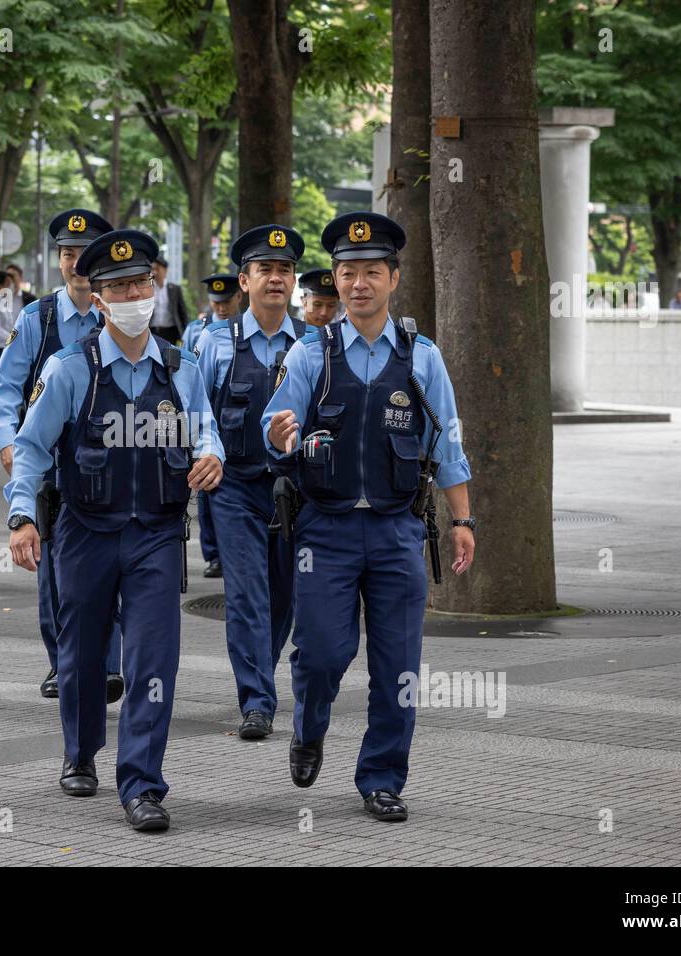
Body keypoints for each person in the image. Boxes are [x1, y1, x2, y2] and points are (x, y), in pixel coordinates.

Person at [6, 228, 224, 832]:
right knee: (81, 655)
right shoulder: (70, 369)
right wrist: (23, 515)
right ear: (97, 300)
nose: (134, 294)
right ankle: (80, 752)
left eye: (141, 282)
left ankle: (143, 783)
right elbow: (29, 449)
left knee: (154, 659)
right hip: (85, 532)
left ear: (155, 287)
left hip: (156, 534)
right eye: (119, 287)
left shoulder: (183, 368)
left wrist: (212, 455)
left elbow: (206, 430)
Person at [263, 212, 475, 821]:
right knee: (323, 652)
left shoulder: (421, 357)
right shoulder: (311, 354)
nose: (359, 284)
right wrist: (280, 432)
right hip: (324, 531)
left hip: (397, 529)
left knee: (398, 663)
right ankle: (309, 728)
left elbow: (448, 444)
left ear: (393, 279)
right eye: (348, 273)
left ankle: (382, 777)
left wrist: (463, 520)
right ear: (335, 279)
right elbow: (276, 427)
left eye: (372, 273)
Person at [0, 208, 123, 700]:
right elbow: (3, 388)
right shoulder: (37, 318)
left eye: (83, 256)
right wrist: (8, 439)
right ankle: (61, 661)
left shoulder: (124, 313)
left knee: (113, 566)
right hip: (51, 466)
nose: (75, 264)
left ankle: (109, 666)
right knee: (55, 576)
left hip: (112, 464)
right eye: (67, 255)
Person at [196, 226, 306, 741]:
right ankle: (257, 699)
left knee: (284, 595)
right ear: (245, 280)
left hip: (293, 492)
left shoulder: (311, 345)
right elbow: (199, 415)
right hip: (235, 488)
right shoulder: (214, 343)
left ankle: (262, 668)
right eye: (266, 270)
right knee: (246, 592)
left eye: (285, 270)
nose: (277, 278)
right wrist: (208, 453)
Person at [189, 272, 242, 579]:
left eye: (226, 302)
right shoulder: (201, 332)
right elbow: (194, 383)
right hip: (215, 427)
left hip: (243, 435)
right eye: (215, 303)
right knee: (209, 493)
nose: (221, 309)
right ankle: (213, 554)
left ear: (239, 296)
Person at [148, 255, 190, 346]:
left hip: (171, 332)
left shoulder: (174, 289)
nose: (154, 272)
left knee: (170, 358)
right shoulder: (147, 289)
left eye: (157, 269)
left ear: (165, 270)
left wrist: (185, 333)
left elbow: (182, 312)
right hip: (151, 331)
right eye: (152, 269)